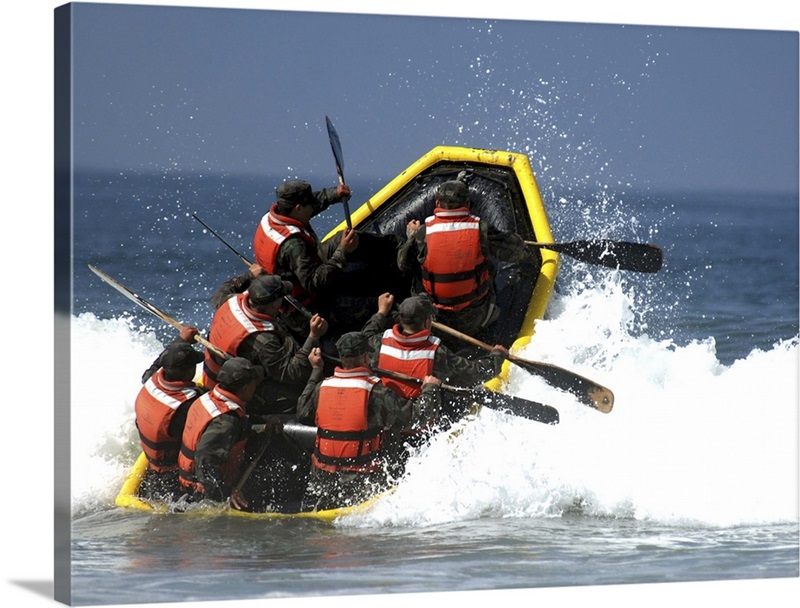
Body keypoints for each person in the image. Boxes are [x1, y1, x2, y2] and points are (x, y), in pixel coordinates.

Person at [296, 332, 441, 511]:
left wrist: (316, 371)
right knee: (392, 431)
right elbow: (417, 419)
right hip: (362, 480)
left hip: (323, 477)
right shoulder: (377, 392)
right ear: (366, 357)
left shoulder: (322, 387)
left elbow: (302, 413)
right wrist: (430, 388)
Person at [252, 179, 406, 339]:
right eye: (309, 205)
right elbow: (314, 283)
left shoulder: (277, 215)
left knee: (353, 238)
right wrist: (343, 252)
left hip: (308, 266)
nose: (313, 207)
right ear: (298, 208)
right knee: (372, 305)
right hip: (307, 307)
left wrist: (334, 194)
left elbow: (311, 204)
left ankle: (401, 249)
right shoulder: (293, 245)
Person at [397, 179, 534, 337]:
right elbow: (517, 252)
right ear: (467, 204)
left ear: (437, 202)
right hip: (474, 317)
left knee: (418, 275)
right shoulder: (481, 229)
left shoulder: (422, 233)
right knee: (489, 266)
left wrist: (411, 238)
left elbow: (402, 263)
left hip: (435, 317)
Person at [363, 294, 509, 429]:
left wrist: (381, 313)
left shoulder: (380, 342)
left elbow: (362, 339)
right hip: (420, 425)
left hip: (387, 425)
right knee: (465, 365)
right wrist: (496, 356)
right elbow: (478, 373)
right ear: (427, 322)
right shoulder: (436, 354)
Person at [203, 270, 328, 416]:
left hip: (219, 372)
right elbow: (291, 373)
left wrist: (248, 275)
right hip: (238, 389)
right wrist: (313, 336)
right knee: (296, 395)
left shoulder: (230, 299)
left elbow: (219, 294)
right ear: (275, 304)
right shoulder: (263, 340)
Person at [178, 357, 269, 508]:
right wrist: (227, 493)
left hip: (190, 477)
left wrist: (262, 429)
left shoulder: (208, 398)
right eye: (254, 383)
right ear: (245, 388)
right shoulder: (226, 421)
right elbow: (205, 464)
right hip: (202, 493)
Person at [134, 326, 206, 500]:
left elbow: (158, 363)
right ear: (189, 372)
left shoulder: (151, 379)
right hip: (173, 477)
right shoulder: (187, 405)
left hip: (155, 468)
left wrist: (181, 341)